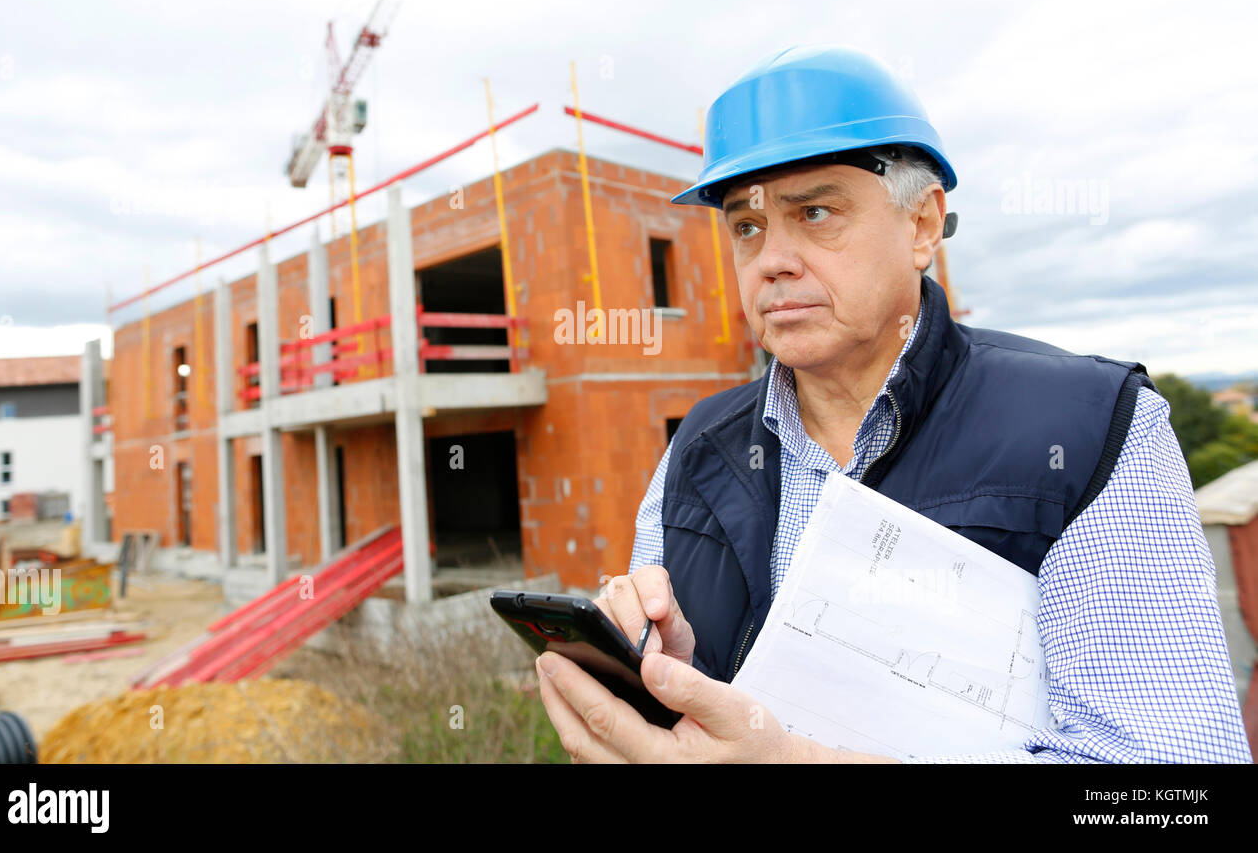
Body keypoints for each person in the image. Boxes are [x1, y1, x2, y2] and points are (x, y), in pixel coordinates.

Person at [534, 45, 1253, 764]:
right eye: (746, 227)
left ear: (922, 225)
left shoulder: (1094, 427)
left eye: (815, 211)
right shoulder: (696, 446)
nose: (772, 259)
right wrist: (667, 679)